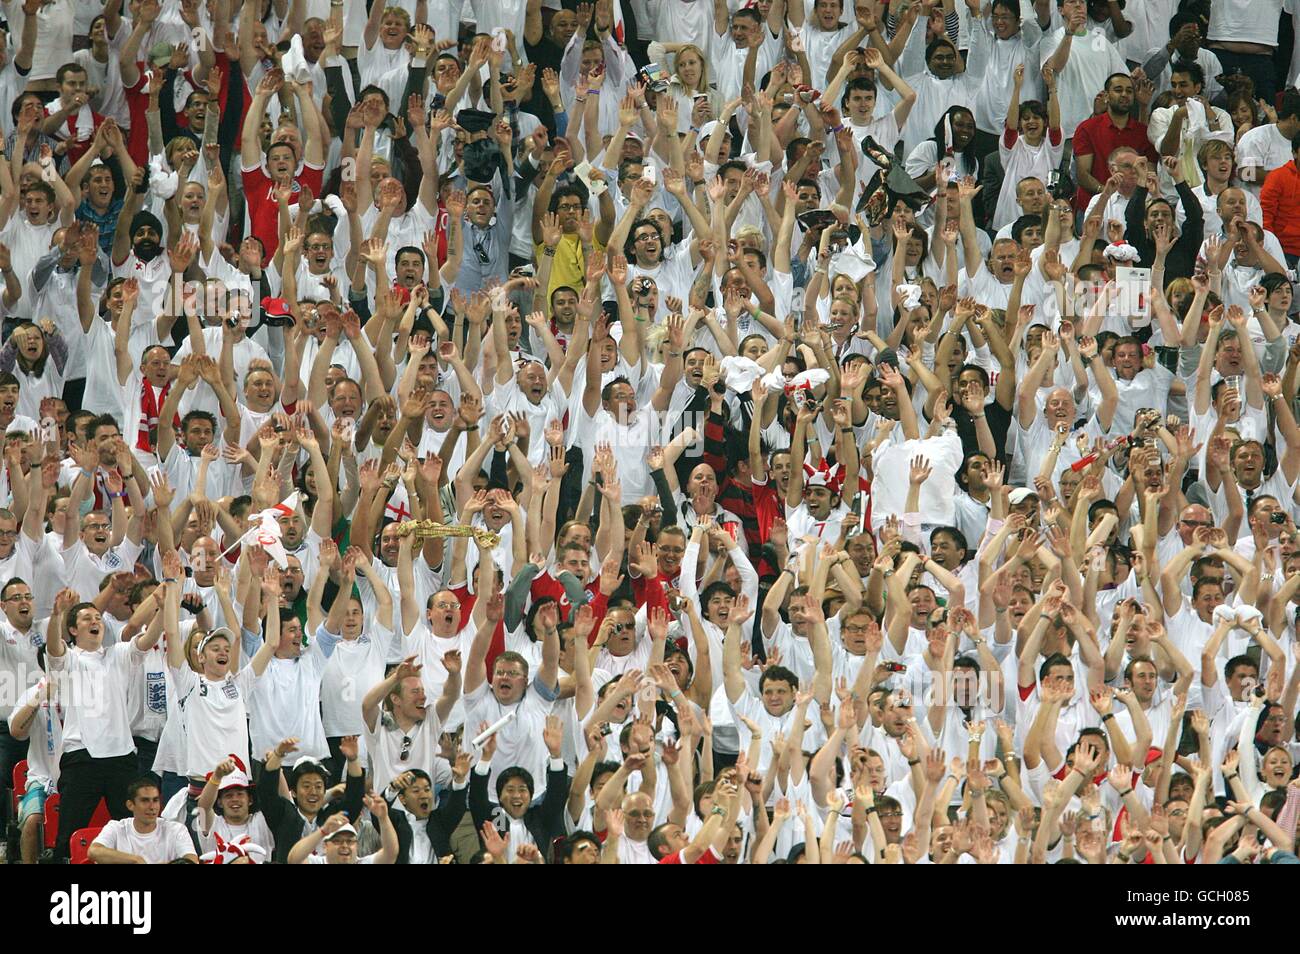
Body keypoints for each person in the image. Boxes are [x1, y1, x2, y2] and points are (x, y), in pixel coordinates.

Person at [87, 776, 197, 864]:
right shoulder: (116, 828)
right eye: (145, 801)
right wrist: (136, 860)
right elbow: (94, 851)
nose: (152, 807)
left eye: (155, 800)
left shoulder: (176, 829)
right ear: (130, 805)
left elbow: (191, 860)